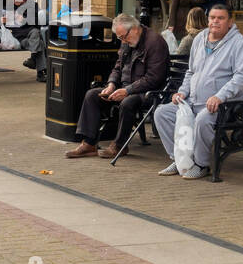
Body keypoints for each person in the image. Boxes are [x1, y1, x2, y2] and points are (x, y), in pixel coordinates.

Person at [153, 2, 243, 179]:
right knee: (162, 113)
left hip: (224, 105)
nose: (215, 22)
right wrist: (182, 92)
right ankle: (180, 160)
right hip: (192, 100)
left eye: (220, 18)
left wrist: (219, 97)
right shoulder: (200, 38)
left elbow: (242, 77)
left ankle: (201, 164)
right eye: (212, 18)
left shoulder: (238, 43)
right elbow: (191, 71)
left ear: (230, 21)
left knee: (203, 119)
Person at [65, 12, 170, 160]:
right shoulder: (127, 41)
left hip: (147, 91)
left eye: (123, 37)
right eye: (120, 38)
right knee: (92, 95)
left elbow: (154, 78)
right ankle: (89, 143)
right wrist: (111, 84)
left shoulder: (155, 43)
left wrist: (128, 90)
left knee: (128, 102)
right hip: (125, 87)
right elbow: (118, 67)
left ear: (134, 29)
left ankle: (119, 145)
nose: (123, 41)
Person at [6, 0, 47, 82]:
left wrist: (25, 19)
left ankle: (34, 60)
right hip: (21, 38)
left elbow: (39, 21)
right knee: (39, 43)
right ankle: (40, 72)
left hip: (32, 33)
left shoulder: (33, 6)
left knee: (35, 33)